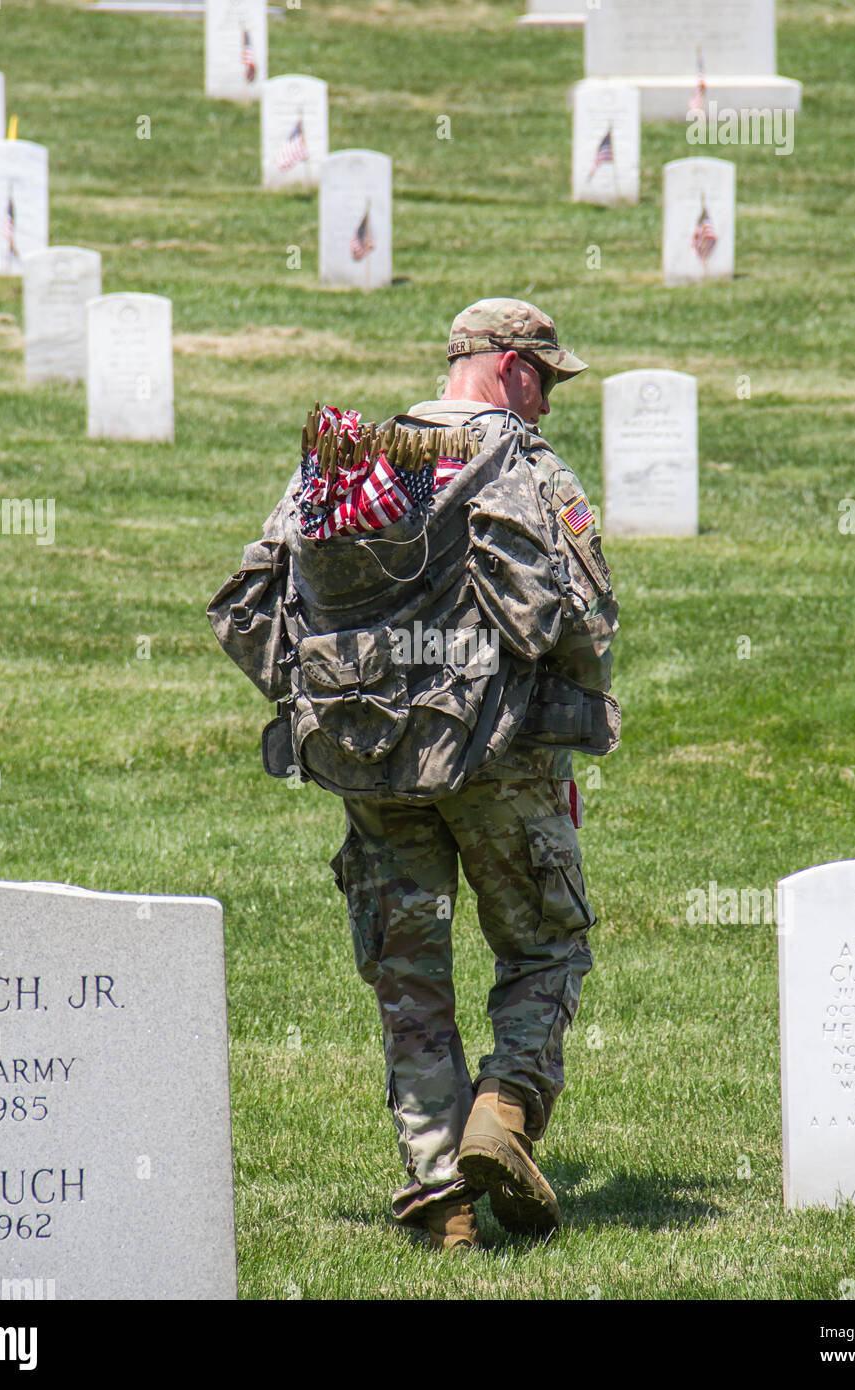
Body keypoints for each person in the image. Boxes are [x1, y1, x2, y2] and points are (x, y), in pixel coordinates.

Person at [328, 298, 619, 1251]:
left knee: (408, 974)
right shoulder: (527, 468)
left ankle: (441, 1191)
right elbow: (585, 617)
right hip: (497, 759)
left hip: (373, 755)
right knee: (542, 945)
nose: (547, 402)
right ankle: (505, 1110)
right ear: (507, 366)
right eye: (544, 377)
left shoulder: (351, 461)